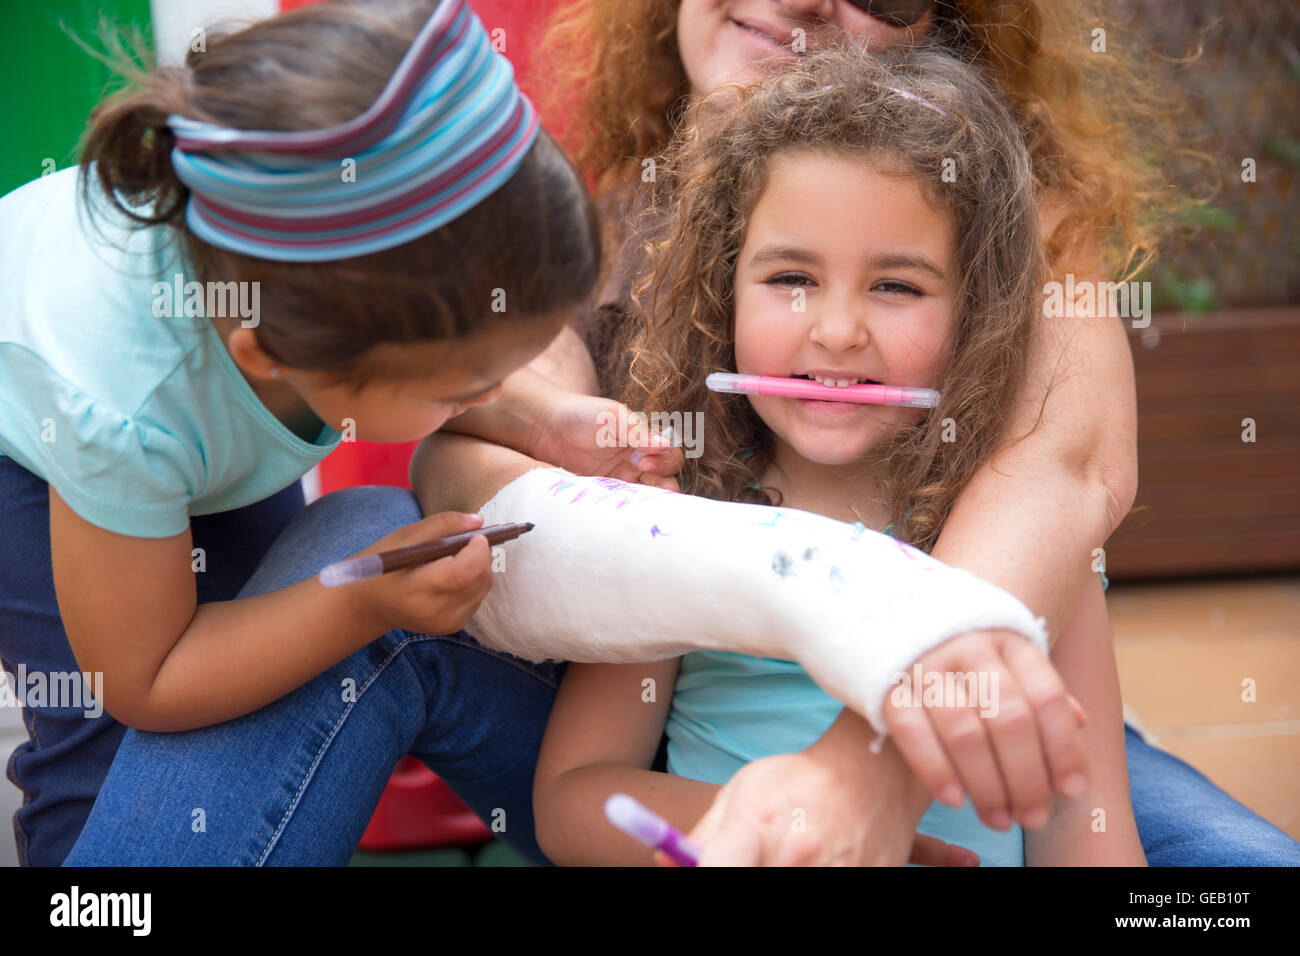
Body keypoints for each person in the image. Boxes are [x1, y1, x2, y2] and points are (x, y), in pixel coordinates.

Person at [0, 0, 605, 866]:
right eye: (465, 386)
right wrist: (362, 601)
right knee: (106, 755)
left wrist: (549, 418)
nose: (494, 392)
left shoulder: (309, 305)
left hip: (207, 417)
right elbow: (148, 679)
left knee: (260, 665)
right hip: (30, 444)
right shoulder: (121, 406)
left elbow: (431, 360)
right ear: (281, 355)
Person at [532, 43, 1146, 865]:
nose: (837, 330)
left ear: (979, 317)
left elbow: (1092, 838)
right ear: (723, 289)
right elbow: (574, 797)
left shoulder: (1043, 568)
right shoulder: (676, 519)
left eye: (897, 286)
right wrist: (783, 835)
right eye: (791, 277)